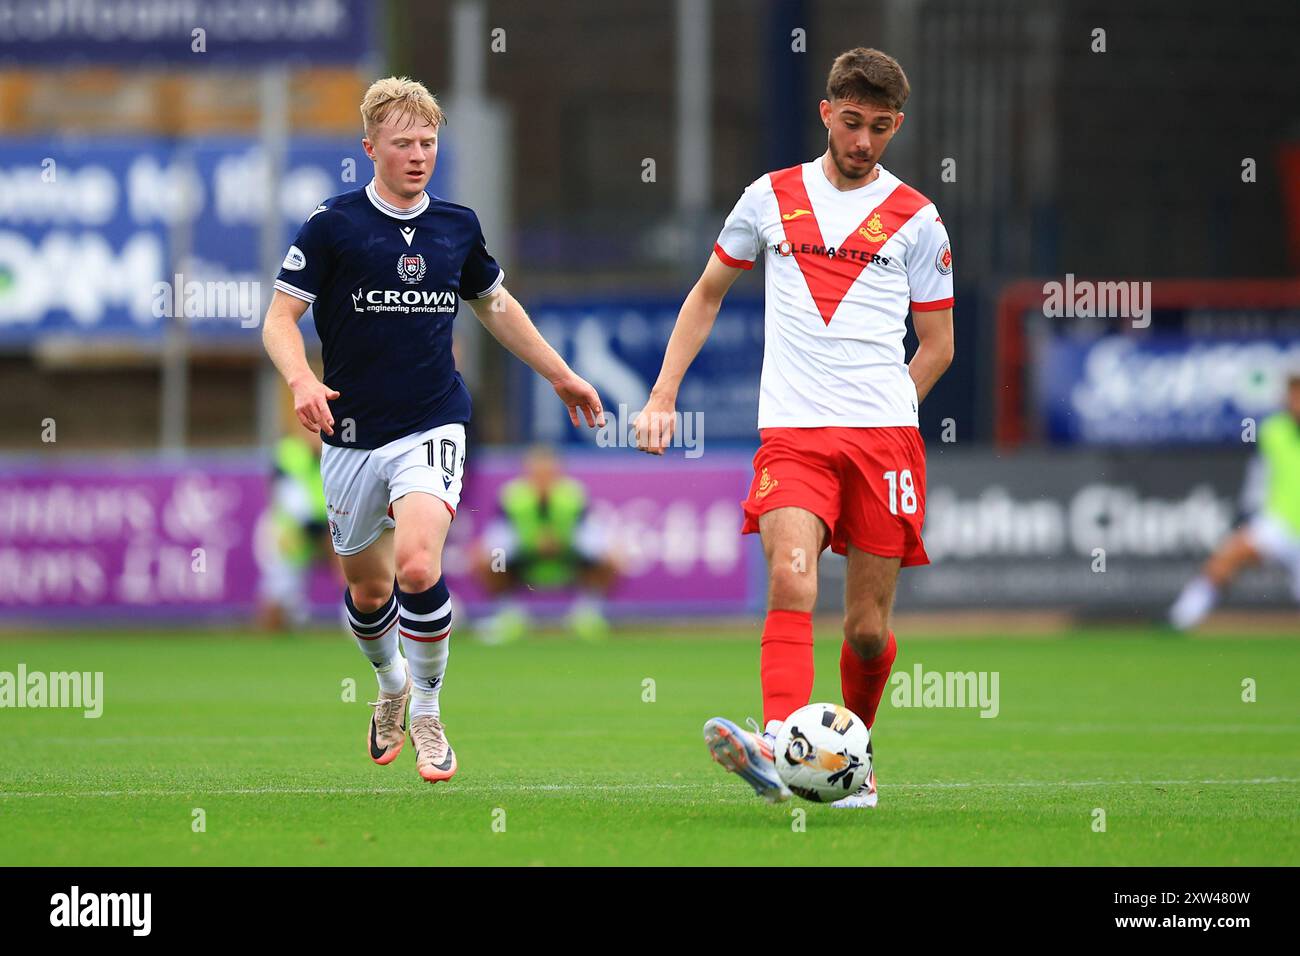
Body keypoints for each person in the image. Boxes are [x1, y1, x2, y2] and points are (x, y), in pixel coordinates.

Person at [634, 48, 954, 808]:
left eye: (880, 128)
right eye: (852, 123)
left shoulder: (918, 218)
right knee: (789, 574)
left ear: (896, 126)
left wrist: (890, 405)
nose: (864, 142)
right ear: (826, 113)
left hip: (884, 441)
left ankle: (855, 760)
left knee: (868, 630)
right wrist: (662, 394)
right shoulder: (769, 197)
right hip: (795, 436)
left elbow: (938, 345)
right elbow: (708, 292)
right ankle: (781, 745)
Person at [261, 77, 604, 785]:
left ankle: (428, 711)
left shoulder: (456, 226)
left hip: (432, 421)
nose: (418, 155)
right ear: (370, 148)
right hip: (351, 432)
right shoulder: (333, 226)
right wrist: (301, 379)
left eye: (428, 143)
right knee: (366, 589)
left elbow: (497, 306)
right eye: (403, 143)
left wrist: (560, 373)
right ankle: (390, 686)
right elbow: (278, 319)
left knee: (417, 566)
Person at [1169, 367, 1300, 630]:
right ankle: (1180, 619)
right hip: (1280, 523)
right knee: (1227, 557)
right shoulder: (1272, 430)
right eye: (1293, 395)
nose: (1296, 403)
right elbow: (1260, 474)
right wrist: (1249, 511)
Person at [472, 445, 618, 644]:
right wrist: (531, 545)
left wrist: (563, 543)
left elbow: (593, 540)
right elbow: (497, 541)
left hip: (567, 561)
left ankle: (587, 616)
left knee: (613, 557)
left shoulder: (573, 494)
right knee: (485, 559)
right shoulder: (512, 496)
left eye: (548, 473)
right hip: (524, 563)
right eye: (537, 473)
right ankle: (510, 617)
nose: (543, 479)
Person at [255, 428, 339, 632]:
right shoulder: (289, 454)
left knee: (359, 580)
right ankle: (264, 644)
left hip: (330, 529)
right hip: (287, 534)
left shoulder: (338, 454)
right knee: (279, 594)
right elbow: (294, 505)